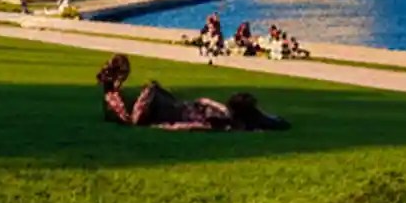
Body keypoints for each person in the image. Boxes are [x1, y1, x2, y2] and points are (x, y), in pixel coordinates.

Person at [96, 53, 289, 131]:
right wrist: (150, 93)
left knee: (225, 114)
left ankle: (266, 120)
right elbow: (135, 120)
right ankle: (265, 119)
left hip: (184, 109)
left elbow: (136, 117)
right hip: (184, 109)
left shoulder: (113, 98)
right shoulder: (113, 99)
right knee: (226, 114)